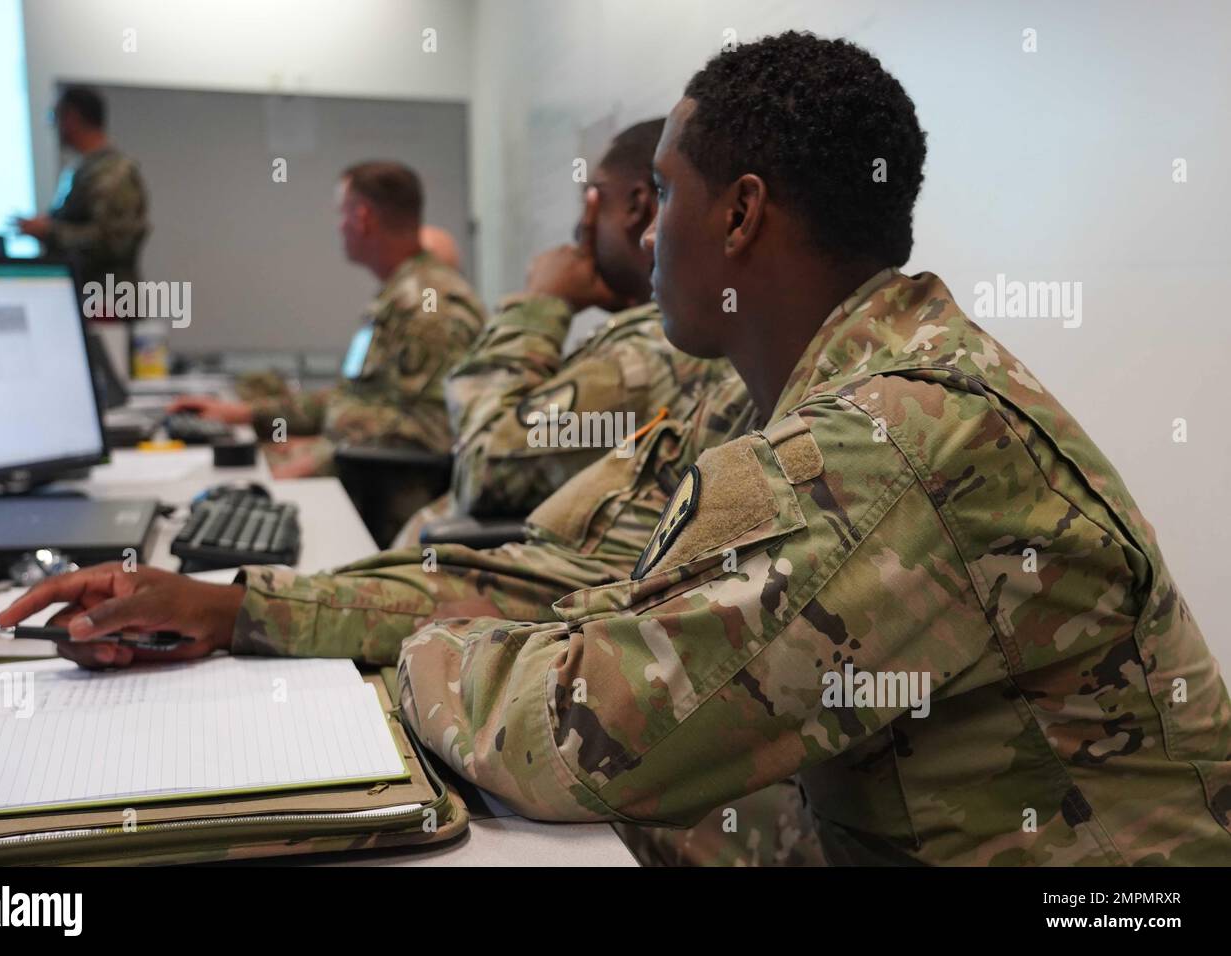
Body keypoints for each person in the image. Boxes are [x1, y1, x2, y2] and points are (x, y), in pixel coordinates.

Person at [387, 33, 1231, 865]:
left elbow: (581, 738)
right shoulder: (874, 382)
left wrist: (423, 647)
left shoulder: (891, 440)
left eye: (665, 195)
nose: (648, 238)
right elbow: (651, 623)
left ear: (741, 215)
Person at [394, 119, 728, 546]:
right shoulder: (671, 333)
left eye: (592, 198)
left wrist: (539, 306)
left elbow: (482, 464)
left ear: (636, 206)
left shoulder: (652, 351)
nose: (579, 229)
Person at [170, 162, 486, 478]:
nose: (339, 226)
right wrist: (247, 414)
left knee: (230, 485)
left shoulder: (430, 307)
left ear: (363, 218)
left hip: (381, 496)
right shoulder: (398, 297)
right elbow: (353, 400)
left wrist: (318, 459)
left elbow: (433, 433)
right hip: (358, 469)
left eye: (342, 213)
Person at [15, 86, 149, 295]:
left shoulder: (114, 173)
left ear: (72, 116)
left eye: (55, 116)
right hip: (85, 297)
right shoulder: (83, 170)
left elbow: (114, 240)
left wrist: (50, 232)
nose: (54, 126)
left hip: (107, 302)